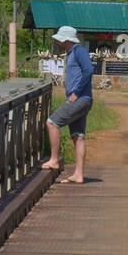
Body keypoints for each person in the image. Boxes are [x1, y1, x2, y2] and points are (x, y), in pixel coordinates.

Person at [43, 25, 93, 184]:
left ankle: (54, 159)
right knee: (77, 136)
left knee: (52, 122)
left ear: (66, 39)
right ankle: (78, 174)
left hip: (81, 99)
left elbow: (89, 70)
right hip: (83, 99)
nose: (57, 41)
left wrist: (76, 93)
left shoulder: (79, 51)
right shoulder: (72, 53)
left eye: (59, 39)